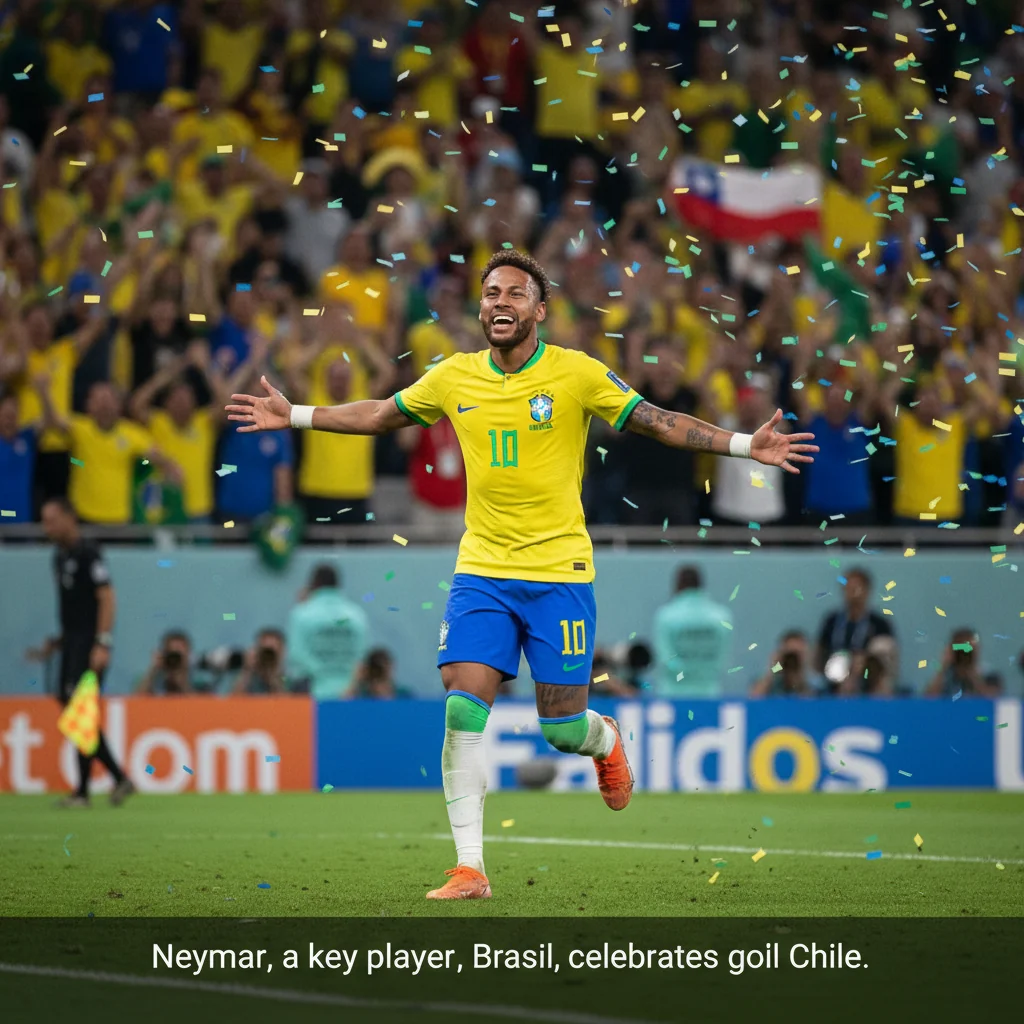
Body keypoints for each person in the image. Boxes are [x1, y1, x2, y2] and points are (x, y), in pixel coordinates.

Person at [226, 249, 817, 900]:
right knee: (461, 705)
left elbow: (656, 420)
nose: (498, 302)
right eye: (489, 294)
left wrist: (741, 445)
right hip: (482, 568)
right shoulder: (454, 376)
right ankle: (470, 868)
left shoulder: (576, 373)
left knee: (562, 728)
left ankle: (605, 739)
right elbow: (380, 414)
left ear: (539, 311)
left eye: (513, 293)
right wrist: (297, 415)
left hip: (560, 571)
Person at [24, 498, 133, 807]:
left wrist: (102, 643)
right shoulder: (58, 557)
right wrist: (58, 642)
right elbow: (74, 608)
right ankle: (112, 780)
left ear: (70, 518)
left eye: (52, 520)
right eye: (44, 521)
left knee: (78, 711)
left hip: (89, 645)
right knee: (77, 713)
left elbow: (107, 598)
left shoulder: (89, 553)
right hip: (72, 643)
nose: (48, 527)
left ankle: (88, 789)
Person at [286, 564, 369, 699]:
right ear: (338, 584)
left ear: (313, 584)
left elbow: (297, 655)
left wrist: (321, 673)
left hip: (312, 696)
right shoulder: (357, 615)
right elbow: (361, 657)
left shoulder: (301, 614)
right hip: (350, 693)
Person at [651, 566, 733, 697]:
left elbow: (665, 658)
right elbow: (721, 658)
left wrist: (685, 671)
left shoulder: (666, 616)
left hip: (673, 695)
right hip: (709, 694)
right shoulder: (722, 617)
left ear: (677, 585)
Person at [815, 567, 895, 694]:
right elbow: (819, 653)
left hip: (868, 683)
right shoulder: (832, 621)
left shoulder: (879, 624)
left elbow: (887, 662)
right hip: (834, 681)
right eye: (849, 589)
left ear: (867, 591)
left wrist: (860, 664)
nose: (853, 594)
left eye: (857, 589)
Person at [925, 629, 999, 698]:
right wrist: (943, 666)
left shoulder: (988, 675)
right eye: (961, 648)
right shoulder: (946, 677)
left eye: (968, 649)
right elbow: (928, 700)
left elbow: (993, 701)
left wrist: (972, 673)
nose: (964, 653)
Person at [750, 630, 819, 697]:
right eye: (789, 655)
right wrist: (773, 669)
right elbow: (754, 699)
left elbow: (813, 701)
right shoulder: (772, 686)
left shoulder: (816, 684)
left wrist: (802, 673)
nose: (793, 660)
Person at [230, 628, 289, 694]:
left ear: (282, 652)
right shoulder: (240, 677)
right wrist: (247, 670)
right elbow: (232, 700)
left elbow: (287, 701)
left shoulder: (288, 678)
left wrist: (274, 676)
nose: (267, 657)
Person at [137, 631, 195, 695]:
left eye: (179, 653)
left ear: (189, 653)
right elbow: (137, 698)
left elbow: (200, 702)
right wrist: (153, 668)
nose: (175, 659)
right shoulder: (156, 676)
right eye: (172, 653)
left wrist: (182, 683)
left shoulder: (198, 677)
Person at [346, 647, 413, 700]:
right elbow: (342, 709)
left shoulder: (404, 694)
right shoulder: (362, 695)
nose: (381, 671)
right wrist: (356, 680)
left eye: (385, 665)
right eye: (376, 667)